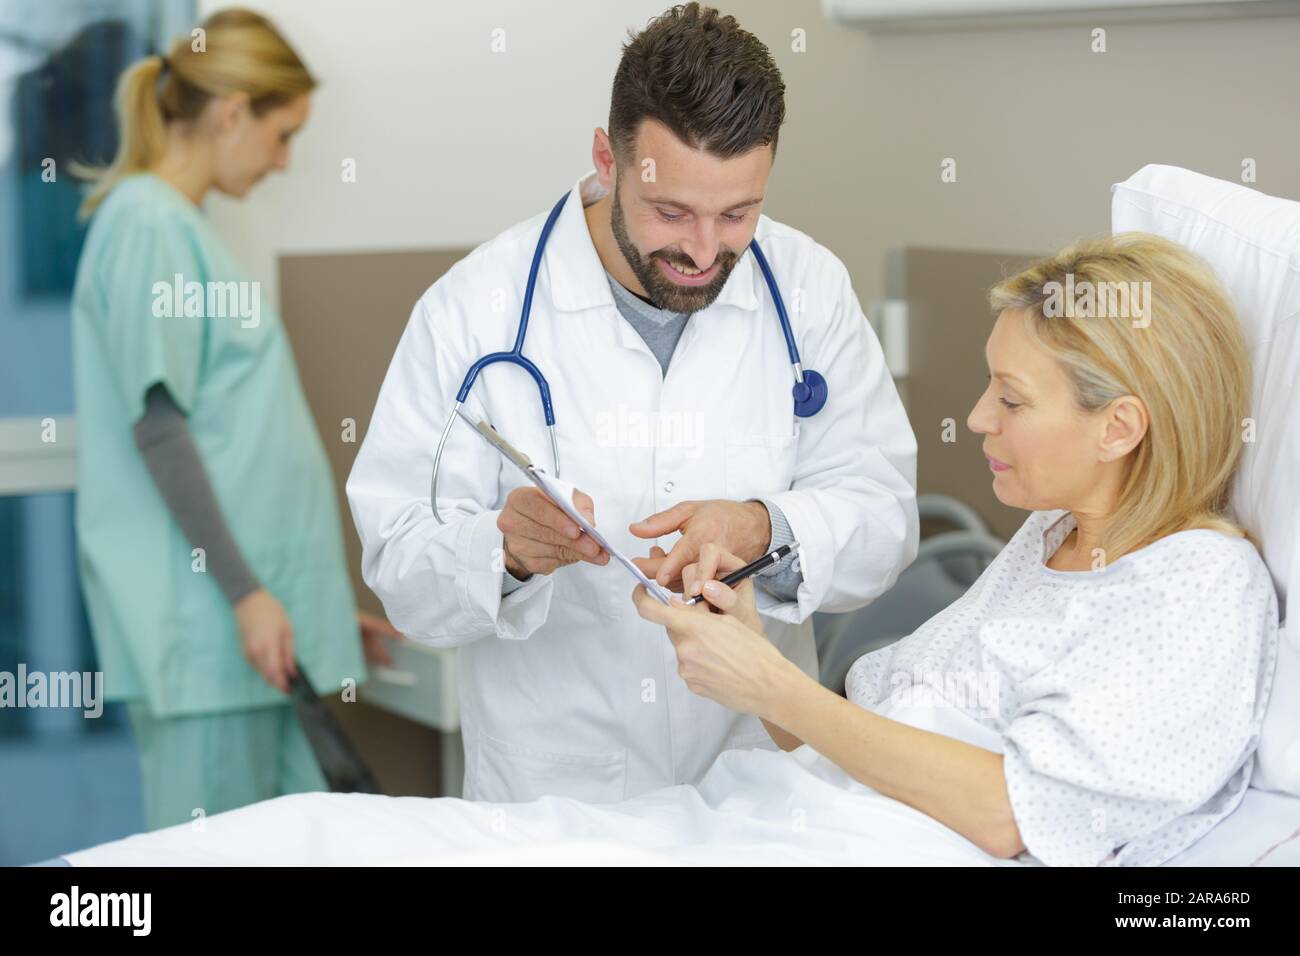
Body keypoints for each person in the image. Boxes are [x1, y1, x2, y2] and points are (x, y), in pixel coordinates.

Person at [346, 3, 919, 803]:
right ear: (606, 160)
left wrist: (764, 526)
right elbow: (400, 570)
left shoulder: (809, 289)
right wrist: (505, 551)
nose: (703, 250)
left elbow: (887, 517)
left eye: (738, 214)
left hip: (757, 794)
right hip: (556, 801)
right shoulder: (474, 309)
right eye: (672, 211)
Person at [632, 232, 1279, 865]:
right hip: (764, 822)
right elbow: (854, 745)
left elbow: (1011, 816)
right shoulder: (1052, 537)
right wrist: (748, 641)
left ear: (1118, 428)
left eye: (1011, 398)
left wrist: (772, 687)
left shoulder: (1200, 585)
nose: (977, 417)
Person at [71, 9, 398, 831]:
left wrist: (309, 602)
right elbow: (159, 429)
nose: (285, 162)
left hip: (251, 639)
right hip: (213, 635)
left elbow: (235, 440)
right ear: (230, 113)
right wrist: (251, 596)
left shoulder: (184, 229)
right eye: (282, 135)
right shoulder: (149, 226)